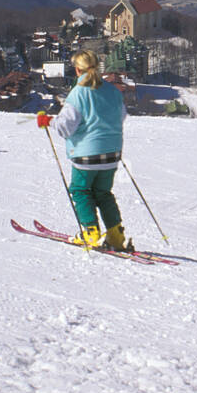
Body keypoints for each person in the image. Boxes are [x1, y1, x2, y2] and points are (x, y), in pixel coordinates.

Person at [36, 50, 130, 252]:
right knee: (103, 193)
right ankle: (115, 236)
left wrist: (48, 121)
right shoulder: (113, 91)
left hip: (86, 155)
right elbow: (121, 116)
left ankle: (90, 231)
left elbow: (65, 128)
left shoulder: (78, 93)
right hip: (112, 154)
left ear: (78, 69)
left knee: (80, 190)